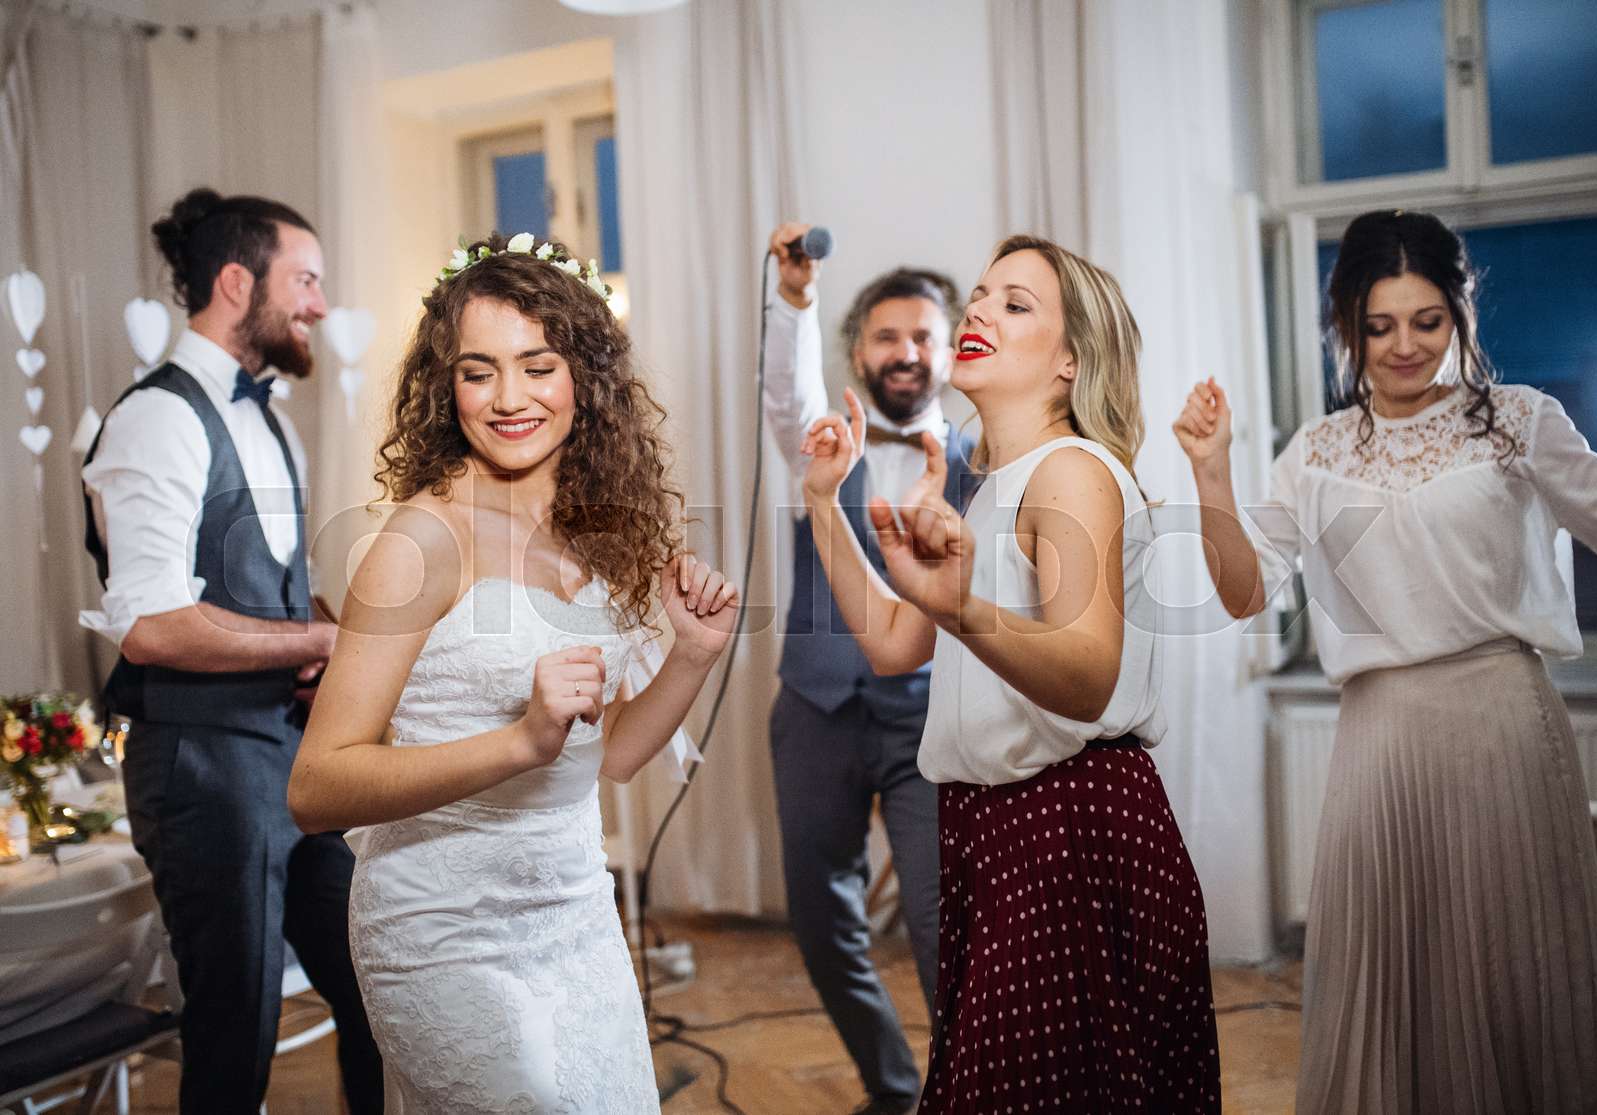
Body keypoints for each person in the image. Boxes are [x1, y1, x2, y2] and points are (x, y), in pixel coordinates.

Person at [286, 233, 738, 1113]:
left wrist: (690, 654)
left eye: (537, 366)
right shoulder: (423, 539)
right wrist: (519, 742)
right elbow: (316, 787)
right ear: (444, 384)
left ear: (586, 377)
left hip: (576, 918)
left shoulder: (599, 531)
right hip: (442, 932)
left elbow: (609, 755)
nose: (508, 398)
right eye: (478, 371)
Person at [1174, 208, 1597, 1113]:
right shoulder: (1315, 453)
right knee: (1389, 976)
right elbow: (1246, 594)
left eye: (1427, 320)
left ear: (1460, 314)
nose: (1404, 345)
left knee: (1511, 977)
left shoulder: (1520, 422)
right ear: (1346, 328)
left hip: (1504, 731)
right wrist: (1211, 472)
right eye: (1379, 326)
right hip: (1379, 744)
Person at [803, 235, 1220, 1113]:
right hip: (993, 833)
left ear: (1072, 360)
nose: (980, 310)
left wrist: (959, 605)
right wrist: (822, 501)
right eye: (982, 295)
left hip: (1068, 828)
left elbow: (1089, 673)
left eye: (1016, 303)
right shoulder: (993, 487)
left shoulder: (1071, 471)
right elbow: (892, 644)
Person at [79, 188, 383, 1113]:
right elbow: (152, 623)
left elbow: (266, 588)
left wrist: (331, 639)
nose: (320, 305)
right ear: (237, 282)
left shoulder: (276, 422)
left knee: (378, 989)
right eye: (306, 281)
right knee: (235, 1032)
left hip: (295, 758)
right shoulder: (156, 419)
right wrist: (320, 638)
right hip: (201, 766)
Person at [761, 222, 971, 1113]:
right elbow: (786, 394)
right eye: (887, 335)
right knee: (821, 922)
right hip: (815, 707)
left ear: (951, 352)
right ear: (858, 351)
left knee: (940, 928)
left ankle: (961, 1093)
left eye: (923, 336)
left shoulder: (983, 465)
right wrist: (795, 297)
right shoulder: (822, 442)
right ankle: (893, 1088)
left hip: (930, 719)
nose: (906, 352)